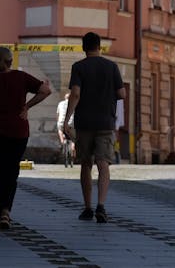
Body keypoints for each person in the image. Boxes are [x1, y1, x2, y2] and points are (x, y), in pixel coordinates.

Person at [0, 47, 51, 230]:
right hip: (18, 131)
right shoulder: (22, 78)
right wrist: (27, 106)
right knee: (12, 172)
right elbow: (45, 90)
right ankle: (6, 211)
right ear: (10, 61)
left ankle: (0, 212)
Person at [61, 32, 126, 224]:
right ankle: (101, 206)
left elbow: (75, 94)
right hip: (106, 123)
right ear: (100, 47)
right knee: (103, 163)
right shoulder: (111, 67)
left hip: (85, 124)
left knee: (86, 164)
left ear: (83, 47)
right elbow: (122, 93)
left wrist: (67, 120)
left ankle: (87, 207)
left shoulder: (78, 67)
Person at [56, 93, 75, 167]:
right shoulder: (73, 103)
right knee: (73, 138)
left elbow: (57, 114)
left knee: (60, 129)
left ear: (65, 98)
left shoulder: (60, 103)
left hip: (61, 122)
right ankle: (73, 146)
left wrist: (58, 122)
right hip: (71, 123)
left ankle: (62, 141)